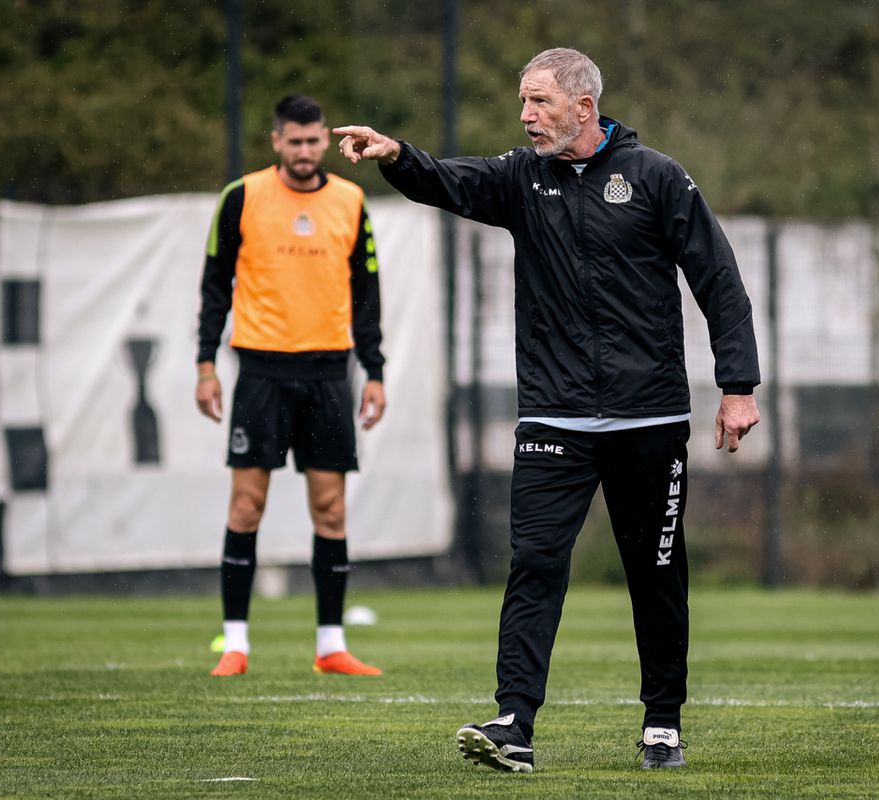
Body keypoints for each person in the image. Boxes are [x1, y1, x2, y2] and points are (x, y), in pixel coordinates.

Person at [335, 48, 760, 771]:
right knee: (533, 562)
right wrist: (396, 156)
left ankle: (662, 721)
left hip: (648, 419)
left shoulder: (655, 176)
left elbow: (717, 279)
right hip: (554, 417)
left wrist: (738, 386)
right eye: (523, 103)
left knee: (655, 572)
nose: (526, 117)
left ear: (583, 108)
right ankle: (514, 724)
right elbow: (448, 181)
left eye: (539, 103)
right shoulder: (520, 179)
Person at [196, 94, 386, 678]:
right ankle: (236, 644)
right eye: (294, 141)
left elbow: (367, 294)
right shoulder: (242, 197)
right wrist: (205, 364)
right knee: (247, 505)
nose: (305, 151)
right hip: (261, 372)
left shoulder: (351, 201)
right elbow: (213, 288)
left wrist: (374, 370)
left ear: (325, 139)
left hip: (330, 373)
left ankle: (331, 646)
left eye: (313, 140)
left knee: (330, 510)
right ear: (276, 141)